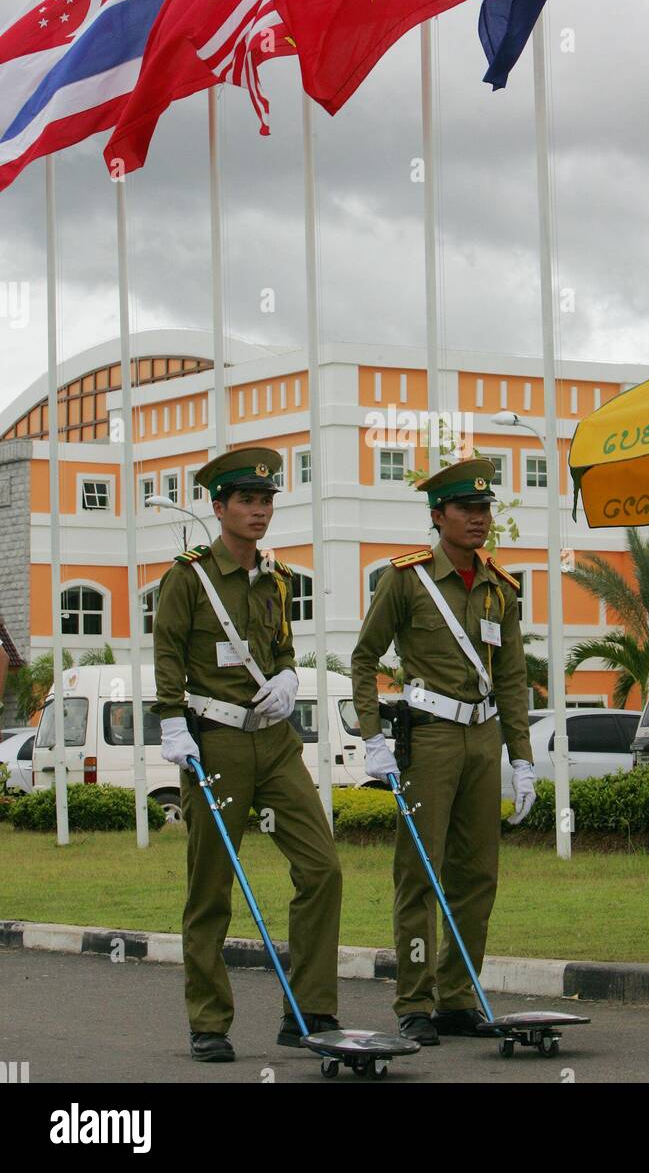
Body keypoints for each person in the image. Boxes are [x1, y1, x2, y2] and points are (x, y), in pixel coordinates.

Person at [152, 447, 342, 1063]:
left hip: (275, 741)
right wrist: (172, 725)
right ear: (220, 507)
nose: (259, 511)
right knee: (210, 887)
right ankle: (208, 1019)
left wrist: (290, 678)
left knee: (322, 869)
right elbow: (168, 657)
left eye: (266, 501)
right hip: (218, 743)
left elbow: (281, 651)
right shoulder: (188, 577)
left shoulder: (278, 579)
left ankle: (308, 1008)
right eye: (247, 501)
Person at [351, 456, 536, 1045]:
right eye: (467, 509)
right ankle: (413, 1000)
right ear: (439, 516)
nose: (479, 519)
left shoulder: (500, 587)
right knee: (420, 873)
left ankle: (457, 998)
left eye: (485, 509)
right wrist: (372, 735)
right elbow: (364, 657)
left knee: (477, 873)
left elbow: (510, 677)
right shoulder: (405, 579)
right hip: (428, 738)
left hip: (482, 739)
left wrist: (522, 757)